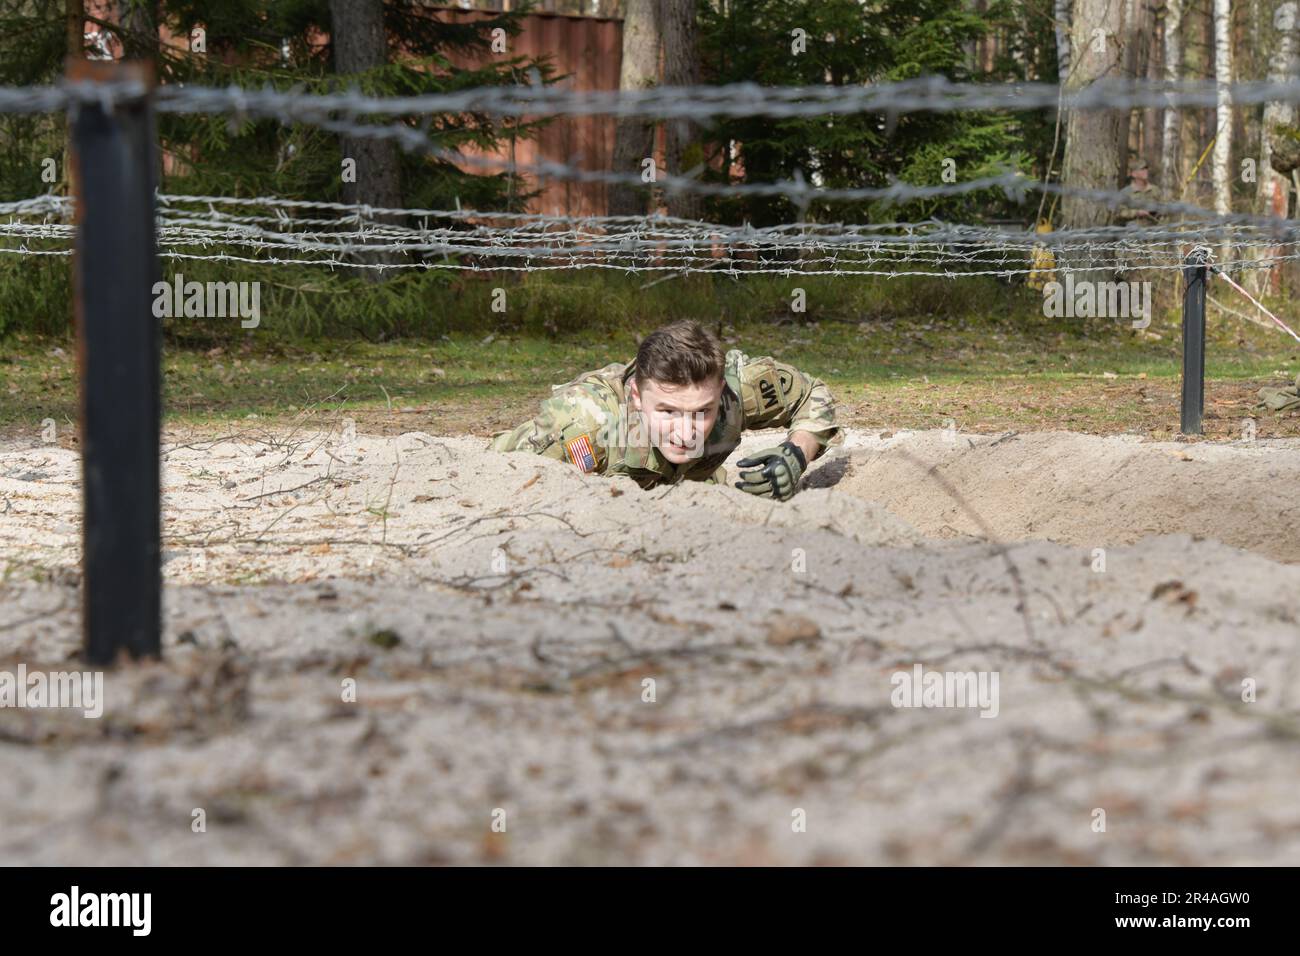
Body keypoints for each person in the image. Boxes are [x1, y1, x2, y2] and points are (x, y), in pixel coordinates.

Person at [488, 320, 840, 500]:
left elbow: (810, 393)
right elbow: (503, 481)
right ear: (637, 397)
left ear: (720, 391)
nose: (686, 434)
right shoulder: (584, 426)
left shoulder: (737, 389)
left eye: (702, 412)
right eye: (668, 412)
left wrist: (797, 453)